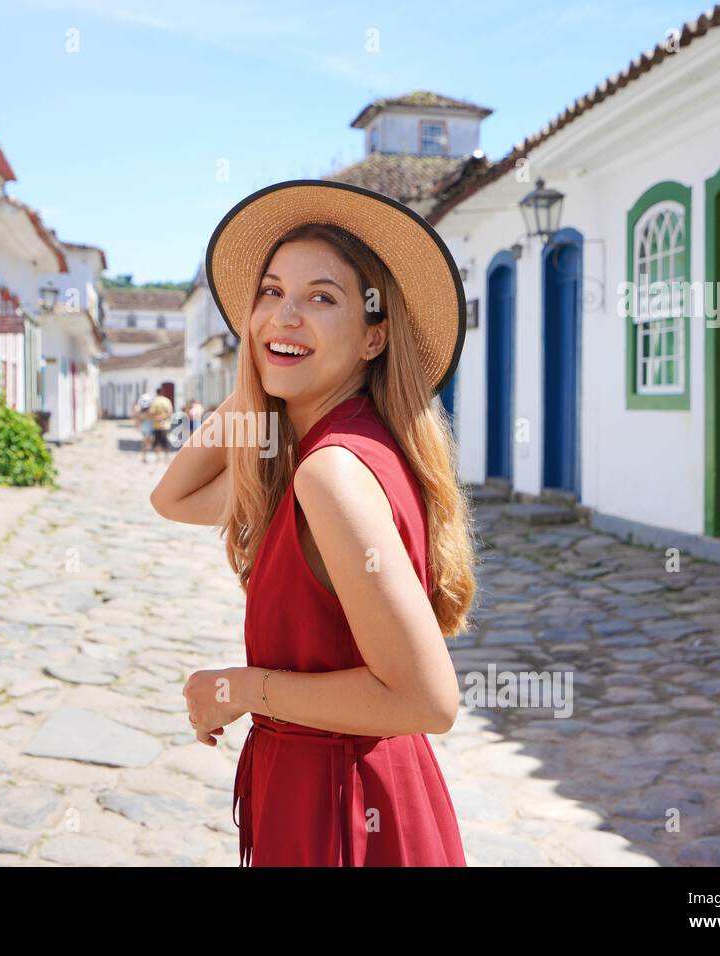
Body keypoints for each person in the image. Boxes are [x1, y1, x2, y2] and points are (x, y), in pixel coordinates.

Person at [150, 179, 474, 867]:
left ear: (373, 335)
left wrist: (240, 688)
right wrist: (263, 371)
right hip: (342, 795)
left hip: (345, 816)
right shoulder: (324, 452)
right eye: (270, 293)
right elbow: (174, 498)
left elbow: (427, 699)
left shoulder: (331, 474)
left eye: (321, 298)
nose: (285, 314)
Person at [148, 389, 174, 462]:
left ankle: (158, 458)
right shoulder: (167, 401)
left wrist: (158, 417)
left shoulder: (155, 402)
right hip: (165, 425)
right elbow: (170, 412)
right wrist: (163, 417)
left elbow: (151, 413)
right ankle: (167, 457)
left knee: (157, 442)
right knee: (166, 442)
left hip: (156, 425)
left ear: (156, 393)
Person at [134, 392, 154, 463]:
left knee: (145, 442)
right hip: (148, 428)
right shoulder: (150, 411)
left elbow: (137, 419)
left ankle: (144, 457)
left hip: (143, 428)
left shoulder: (139, 410)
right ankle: (144, 458)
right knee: (147, 443)